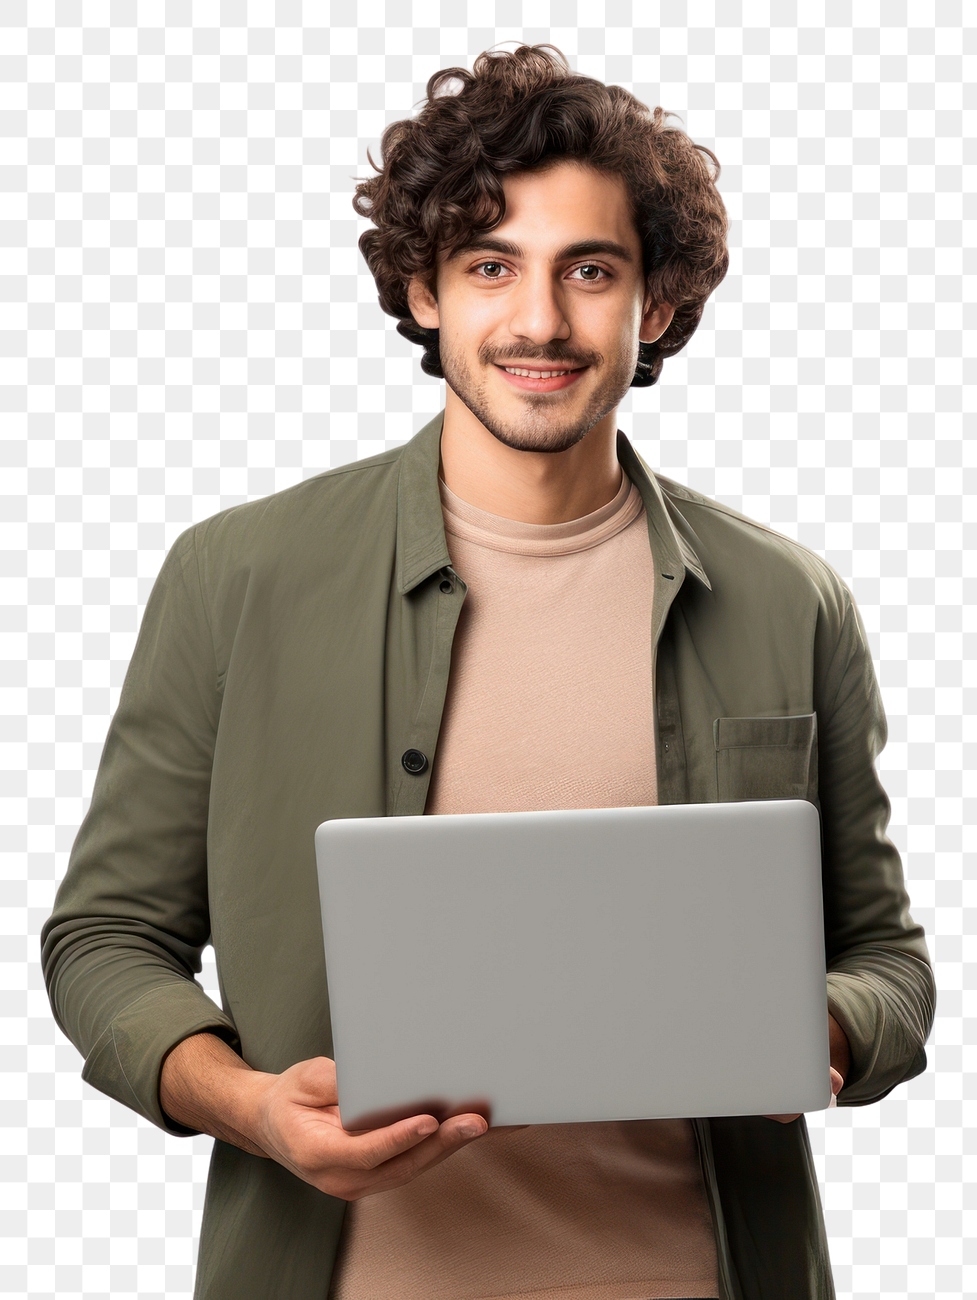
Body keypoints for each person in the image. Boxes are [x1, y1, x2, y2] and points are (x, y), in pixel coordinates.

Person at [42, 44, 934, 1300]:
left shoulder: (788, 598)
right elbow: (106, 940)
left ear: (657, 304)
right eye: (488, 267)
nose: (537, 321)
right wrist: (247, 1104)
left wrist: (825, 1028)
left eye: (589, 269)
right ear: (423, 292)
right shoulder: (235, 575)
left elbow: (887, 960)